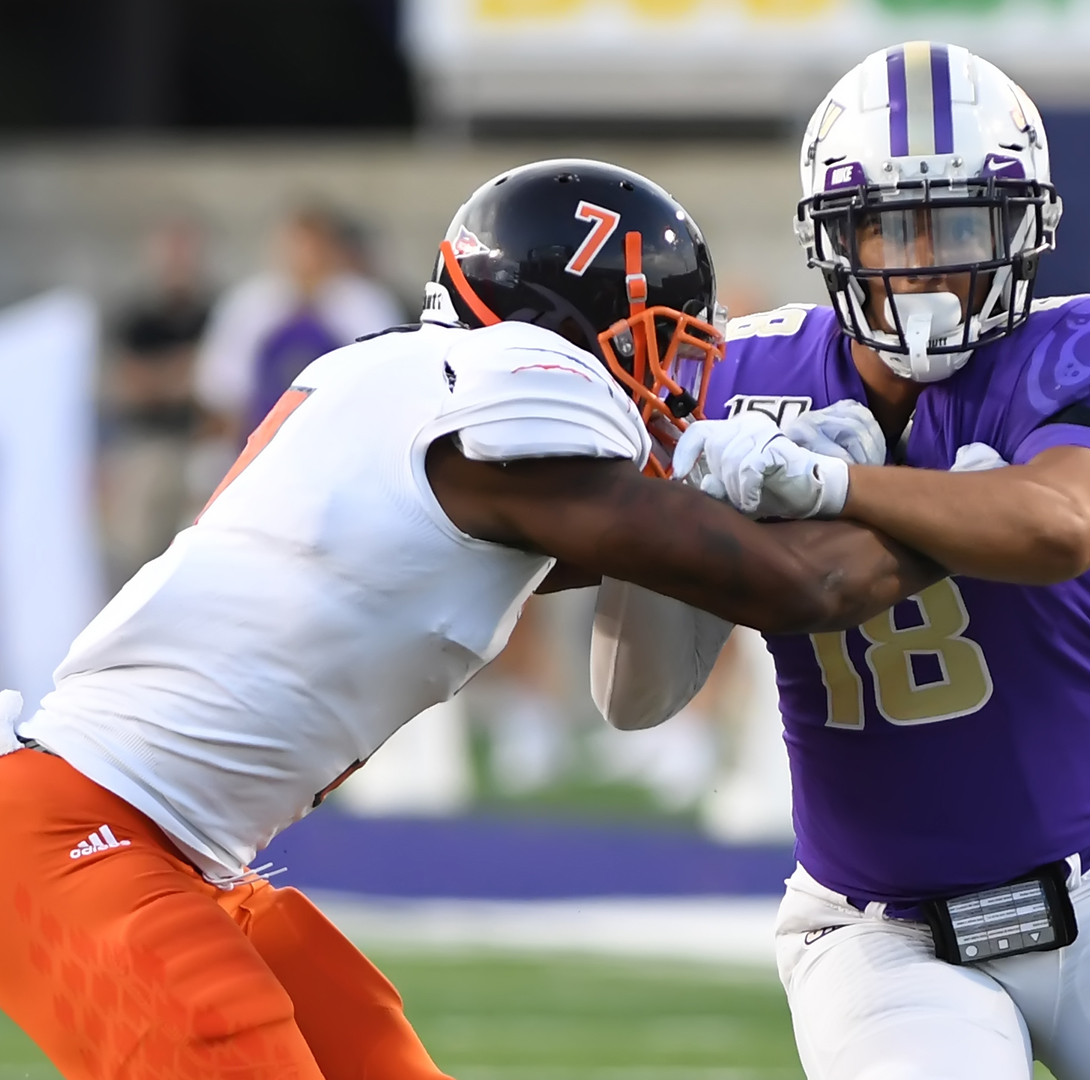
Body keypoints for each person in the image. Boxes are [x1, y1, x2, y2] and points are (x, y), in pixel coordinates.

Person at [0, 159, 942, 1080]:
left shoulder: (423, 403)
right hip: (80, 836)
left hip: (175, 849)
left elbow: (657, 556)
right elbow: (795, 586)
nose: (678, 376)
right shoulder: (509, 387)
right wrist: (958, 511)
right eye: (662, 339)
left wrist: (753, 486)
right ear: (572, 329)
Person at [668, 43, 1090, 1080]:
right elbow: (626, 668)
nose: (925, 259)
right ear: (839, 238)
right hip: (876, 933)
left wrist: (831, 485)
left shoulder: (1081, 351)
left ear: (1023, 228)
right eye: (892, 225)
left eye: (961, 223)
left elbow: (1059, 523)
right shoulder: (741, 377)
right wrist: (676, 520)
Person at [195, 205, 402, 444]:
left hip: (342, 437)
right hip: (261, 437)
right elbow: (219, 388)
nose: (306, 256)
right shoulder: (249, 304)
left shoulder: (365, 304)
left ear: (333, 248)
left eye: (315, 246)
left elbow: (383, 383)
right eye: (298, 245)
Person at [99, 218, 215, 589]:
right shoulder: (137, 317)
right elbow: (127, 385)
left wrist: (163, 376)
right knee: (137, 554)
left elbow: (218, 378)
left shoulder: (213, 311)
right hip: (147, 446)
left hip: (200, 443)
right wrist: (179, 374)